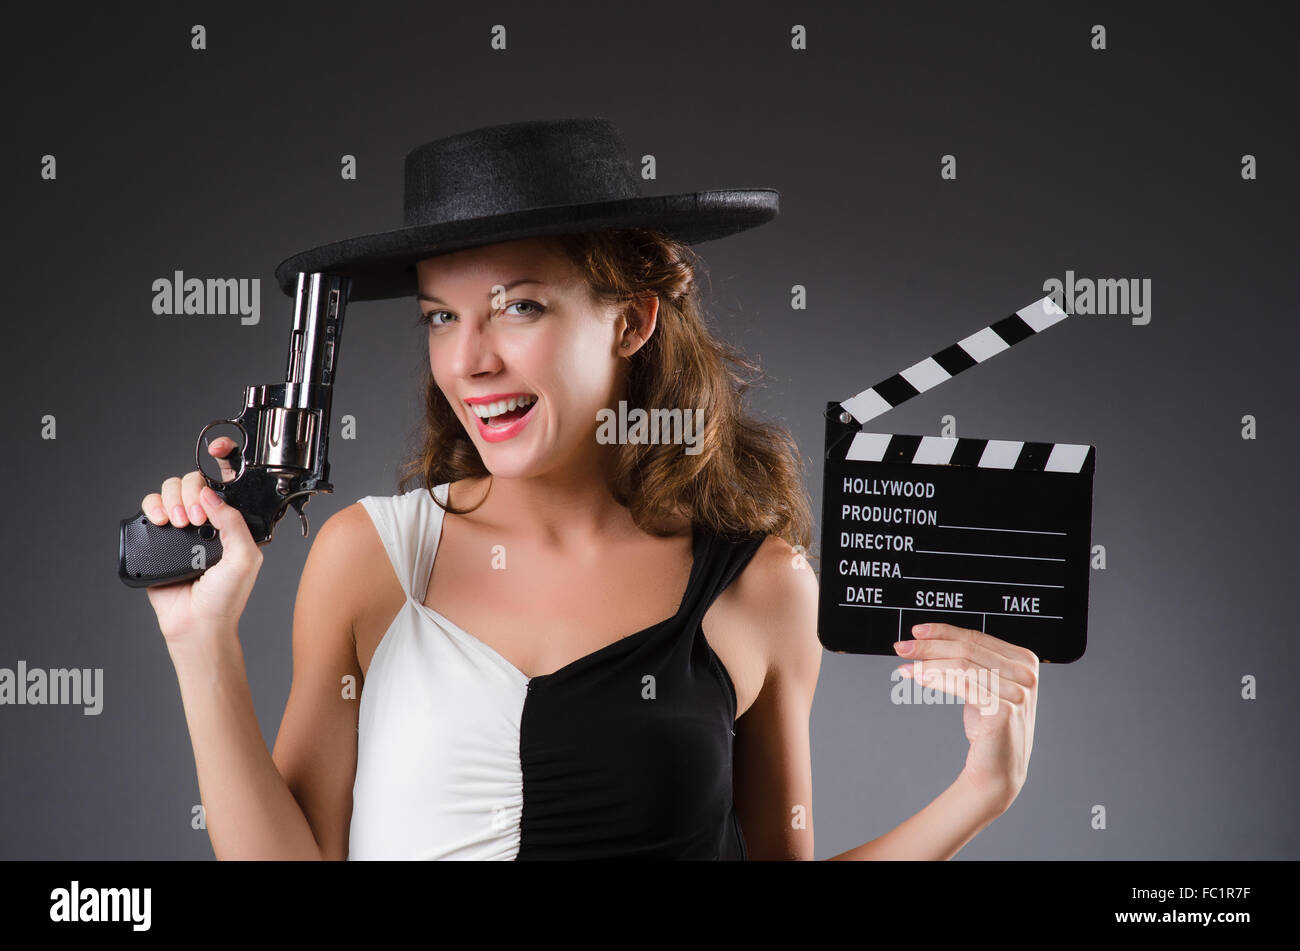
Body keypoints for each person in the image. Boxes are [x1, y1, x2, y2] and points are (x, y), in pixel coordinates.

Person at [135, 118, 1039, 860]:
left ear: (632, 319)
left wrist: (979, 791)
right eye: (441, 318)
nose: (471, 359)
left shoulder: (761, 588)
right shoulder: (370, 560)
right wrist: (200, 642)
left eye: (519, 305)